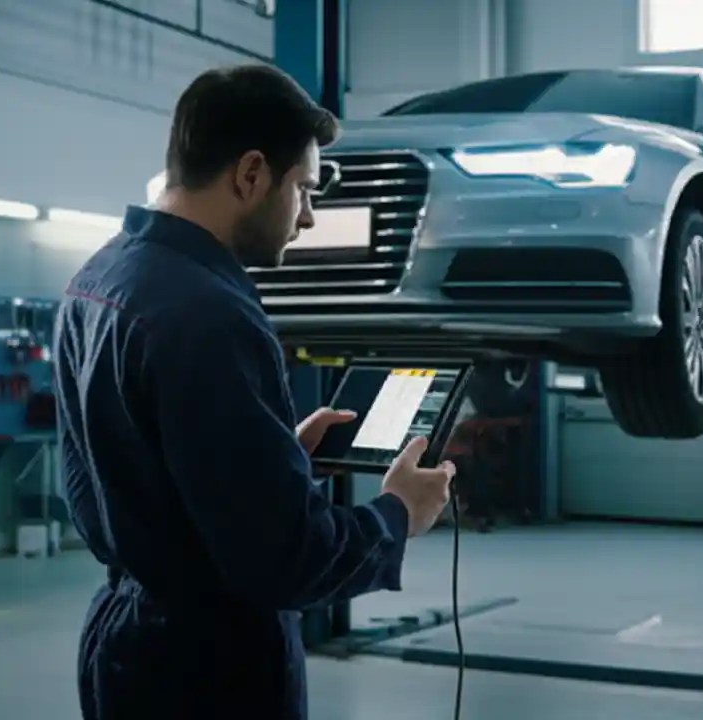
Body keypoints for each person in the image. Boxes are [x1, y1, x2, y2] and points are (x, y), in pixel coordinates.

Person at [52, 63, 456, 720]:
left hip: (126, 652)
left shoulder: (96, 280)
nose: (307, 216)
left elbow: (121, 474)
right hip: (210, 673)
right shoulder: (211, 313)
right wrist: (397, 515)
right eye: (303, 188)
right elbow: (284, 561)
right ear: (250, 175)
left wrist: (274, 457)